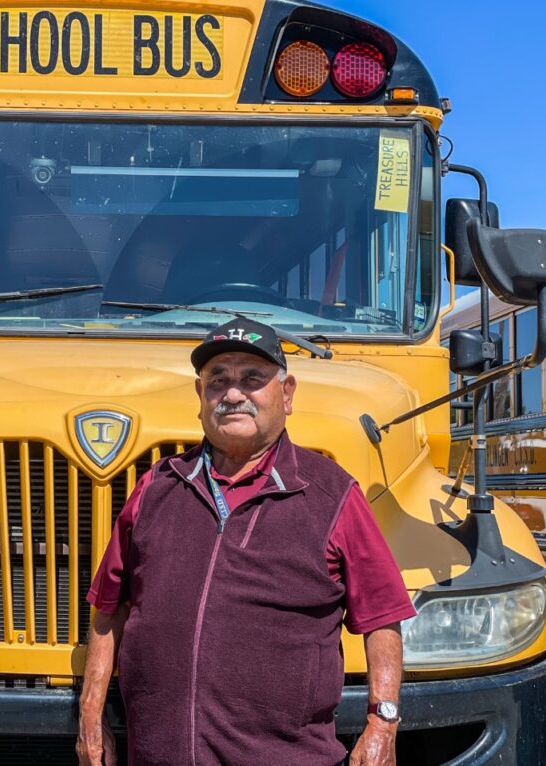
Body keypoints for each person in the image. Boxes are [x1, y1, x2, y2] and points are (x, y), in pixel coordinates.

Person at [76, 319, 416, 766]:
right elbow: (109, 606)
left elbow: (382, 616)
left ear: (287, 393)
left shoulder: (332, 494)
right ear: (200, 398)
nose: (233, 394)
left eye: (252, 379)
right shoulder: (156, 487)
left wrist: (382, 722)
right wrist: (90, 710)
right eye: (218, 381)